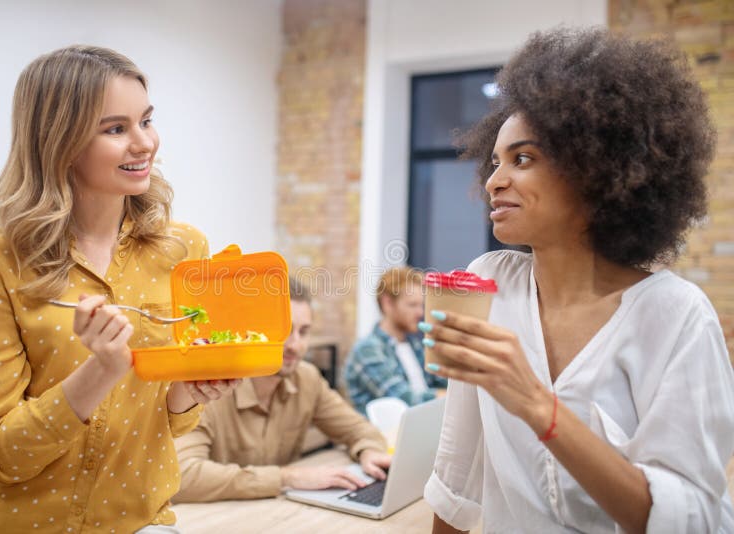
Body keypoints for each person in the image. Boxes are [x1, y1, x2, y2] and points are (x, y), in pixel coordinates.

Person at [420, 28, 734, 533]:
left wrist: (538, 405)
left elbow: (690, 519)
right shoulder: (487, 283)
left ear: (596, 170)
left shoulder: (676, 316)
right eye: (495, 162)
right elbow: (458, 472)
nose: (495, 180)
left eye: (523, 159)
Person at [0, 46, 239, 533]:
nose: (144, 143)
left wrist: (189, 390)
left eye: (147, 120)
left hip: (137, 519)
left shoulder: (185, 247)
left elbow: (172, 423)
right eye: (116, 129)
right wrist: (102, 371)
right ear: (60, 141)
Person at [173, 277, 392, 503]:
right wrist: (286, 478)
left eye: (304, 332)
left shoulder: (307, 378)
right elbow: (182, 477)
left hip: (278, 514)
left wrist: (369, 451)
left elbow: (358, 429)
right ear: (252, 330)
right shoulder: (208, 389)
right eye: (284, 330)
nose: (295, 345)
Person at [345, 266, 447, 414]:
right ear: (387, 303)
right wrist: (448, 397)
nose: (420, 312)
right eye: (412, 305)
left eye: (421, 305)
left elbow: (442, 380)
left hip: (422, 426)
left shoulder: (415, 345)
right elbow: (405, 400)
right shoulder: (367, 350)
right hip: (386, 435)